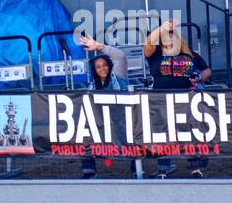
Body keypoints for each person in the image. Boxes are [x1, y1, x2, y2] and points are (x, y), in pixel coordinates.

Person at [143, 18, 212, 177]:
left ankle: (195, 168)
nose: (169, 40)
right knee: (162, 134)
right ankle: (163, 168)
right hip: (161, 100)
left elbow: (207, 70)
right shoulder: (155, 55)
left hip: (185, 100)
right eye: (165, 37)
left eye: (172, 36)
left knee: (189, 132)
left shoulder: (189, 54)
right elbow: (147, 44)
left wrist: (201, 77)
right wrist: (162, 28)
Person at [77, 34, 129, 178]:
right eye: (98, 67)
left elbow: (121, 57)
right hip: (102, 124)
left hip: (123, 121)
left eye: (105, 65)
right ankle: (89, 171)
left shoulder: (118, 75)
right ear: (95, 70)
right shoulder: (92, 85)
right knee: (84, 133)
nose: (103, 69)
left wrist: (99, 46)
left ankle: (136, 168)